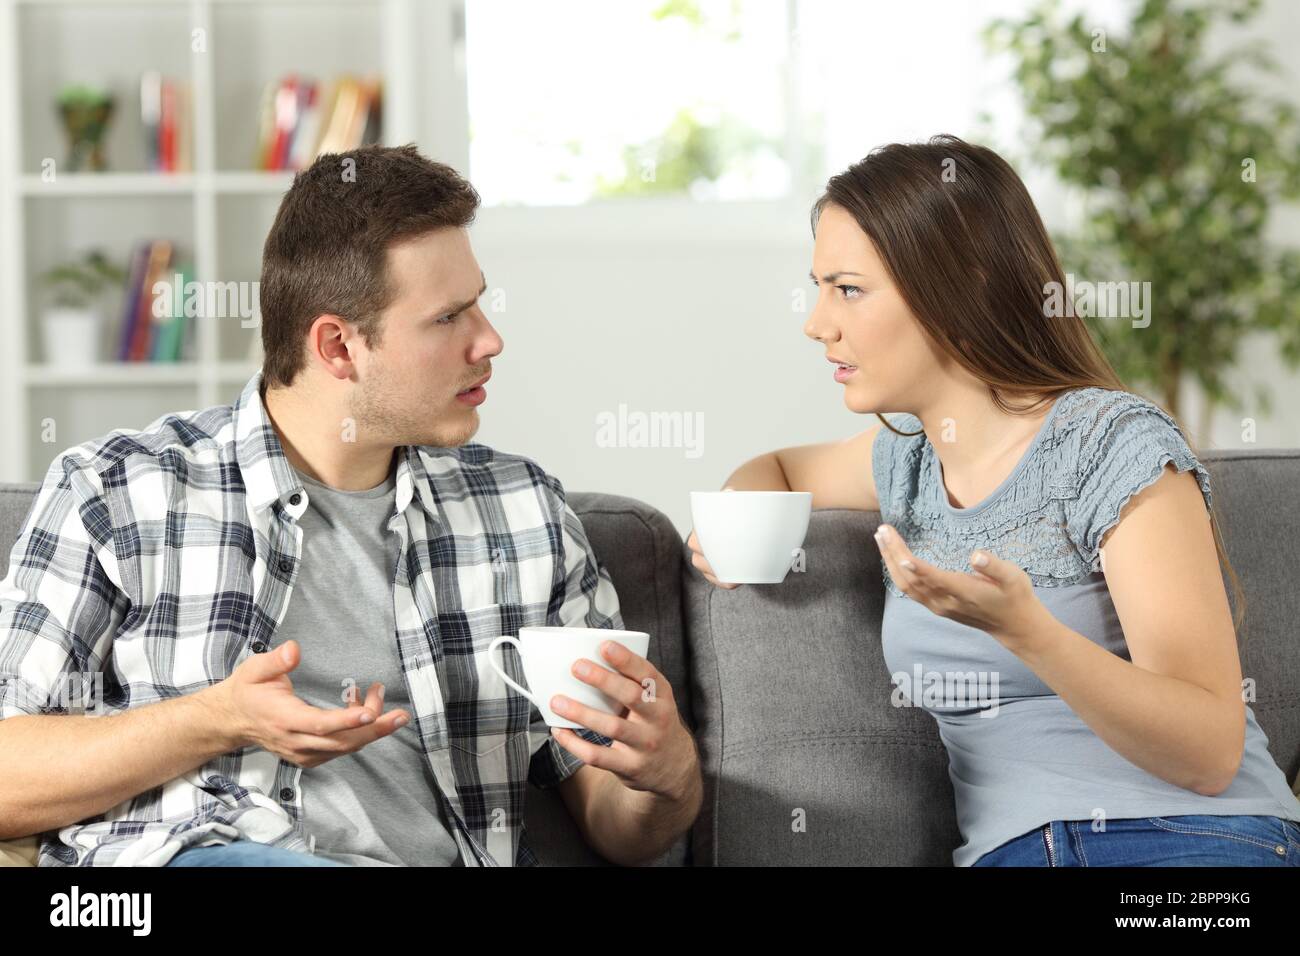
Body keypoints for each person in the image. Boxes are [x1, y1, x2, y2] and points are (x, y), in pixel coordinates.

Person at [0, 144, 702, 867]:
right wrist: (218, 719)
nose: (490, 340)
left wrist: (668, 778)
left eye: (479, 304)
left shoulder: (524, 515)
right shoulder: (119, 491)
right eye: (448, 318)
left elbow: (619, 827)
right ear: (338, 347)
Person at [688, 134, 1300, 867]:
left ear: (957, 286)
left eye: (846, 288)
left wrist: (1031, 634)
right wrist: (738, 524)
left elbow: (1208, 751)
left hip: (1195, 843)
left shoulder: (1111, 444)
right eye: (818, 287)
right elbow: (777, 466)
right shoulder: (908, 460)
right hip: (1019, 853)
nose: (817, 323)